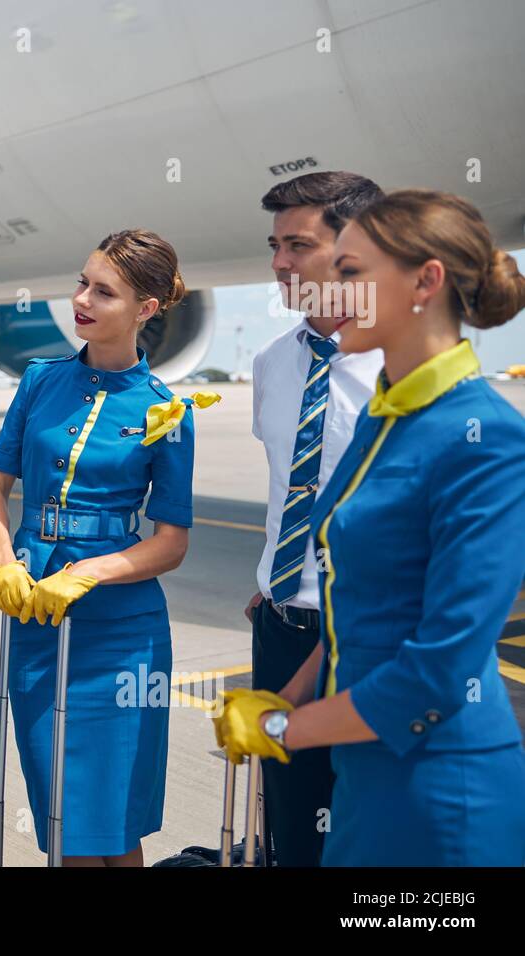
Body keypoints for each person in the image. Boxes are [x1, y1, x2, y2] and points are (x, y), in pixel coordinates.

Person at [216, 189, 525, 866]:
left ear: (426, 282)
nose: (332, 288)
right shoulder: (385, 420)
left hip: (437, 787)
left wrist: (282, 726)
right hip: (366, 774)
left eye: (351, 273)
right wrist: (282, 696)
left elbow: (437, 671)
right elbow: (355, 606)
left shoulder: (488, 440)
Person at [0, 230, 218, 866]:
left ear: (146, 308)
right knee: (62, 816)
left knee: (115, 822)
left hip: (121, 631)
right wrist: (4, 561)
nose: (81, 300)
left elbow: (170, 543)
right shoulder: (38, 383)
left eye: (103, 291)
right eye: (82, 282)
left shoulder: (168, 411)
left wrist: (88, 573)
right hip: (35, 613)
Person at [245, 171, 383, 865]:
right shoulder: (271, 364)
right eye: (274, 245)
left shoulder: (400, 371)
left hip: (367, 642)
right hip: (281, 632)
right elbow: (287, 490)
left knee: (367, 841)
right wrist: (276, 576)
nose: (278, 264)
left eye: (297, 245)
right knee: (295, 836)